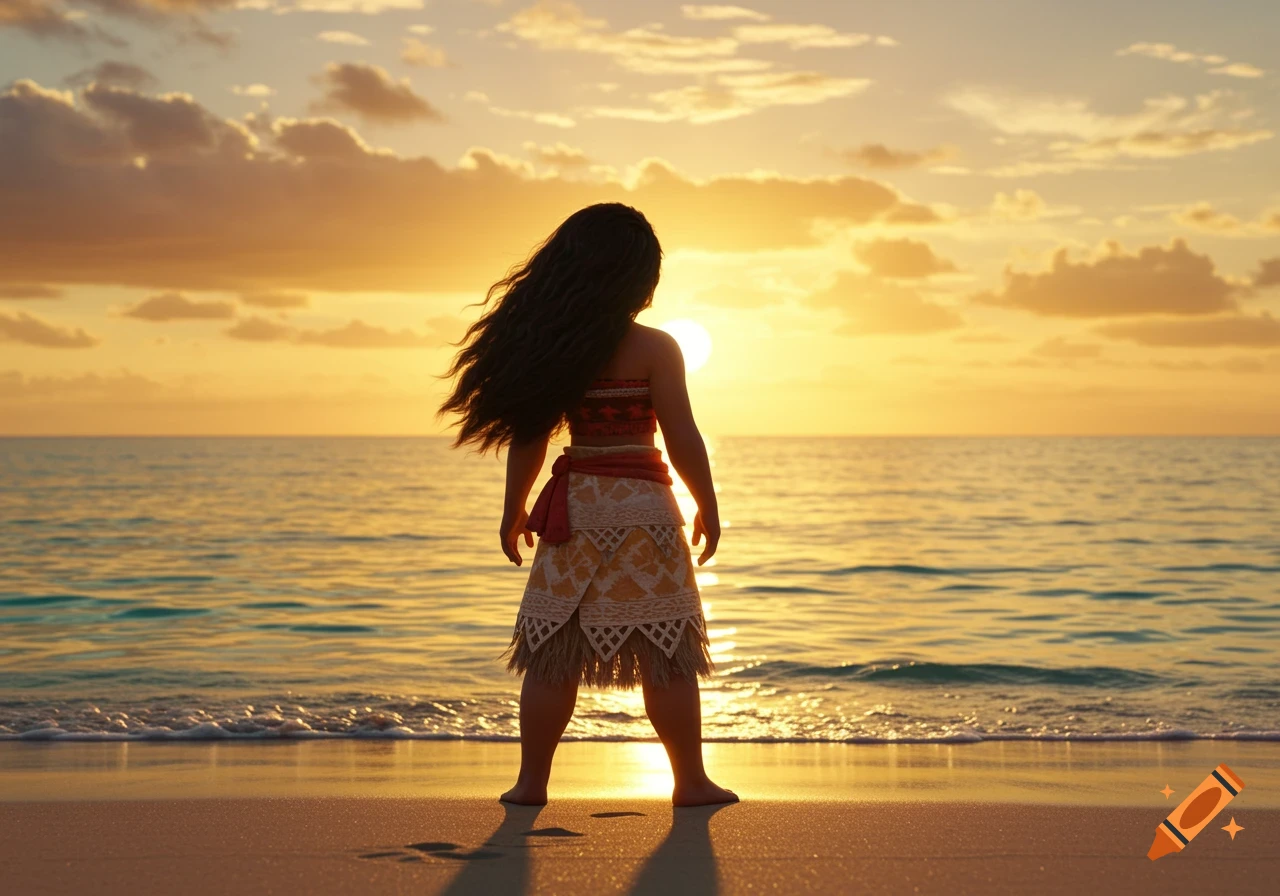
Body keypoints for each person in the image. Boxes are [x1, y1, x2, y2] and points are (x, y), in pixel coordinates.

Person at [438, 202, 737, 808]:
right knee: (668, 653)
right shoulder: (656, 348)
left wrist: (514, 508)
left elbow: (529, 437)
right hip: (646, 511)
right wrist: (707, 502)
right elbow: (682, 434)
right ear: (640, 278)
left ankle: (532, 783)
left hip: (575, 510)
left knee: (552, 655)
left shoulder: (556, 349)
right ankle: (689, 781)